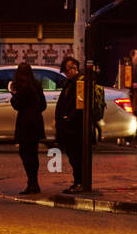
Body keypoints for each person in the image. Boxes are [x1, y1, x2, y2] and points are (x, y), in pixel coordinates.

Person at [10, 62, 46, 195]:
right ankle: (34, 183)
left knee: (25, 153)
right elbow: (43, 105)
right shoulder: (36, 84)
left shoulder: (20, 86)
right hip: (36, 121)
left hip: (25, 122)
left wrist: (13, 96)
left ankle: (32, 183)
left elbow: (17, 105)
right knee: (33, 153)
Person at [54, 55, 83, 192]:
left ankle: (80, 182)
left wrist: (68, 119)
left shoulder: (79, 83)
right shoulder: (69, 83)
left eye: (67, 70)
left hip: (74, 128)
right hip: (68, 126)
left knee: (76, 156)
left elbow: (78, 106)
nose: (66, 73)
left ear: (73, 68)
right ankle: (77, 182)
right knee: (73, 156)